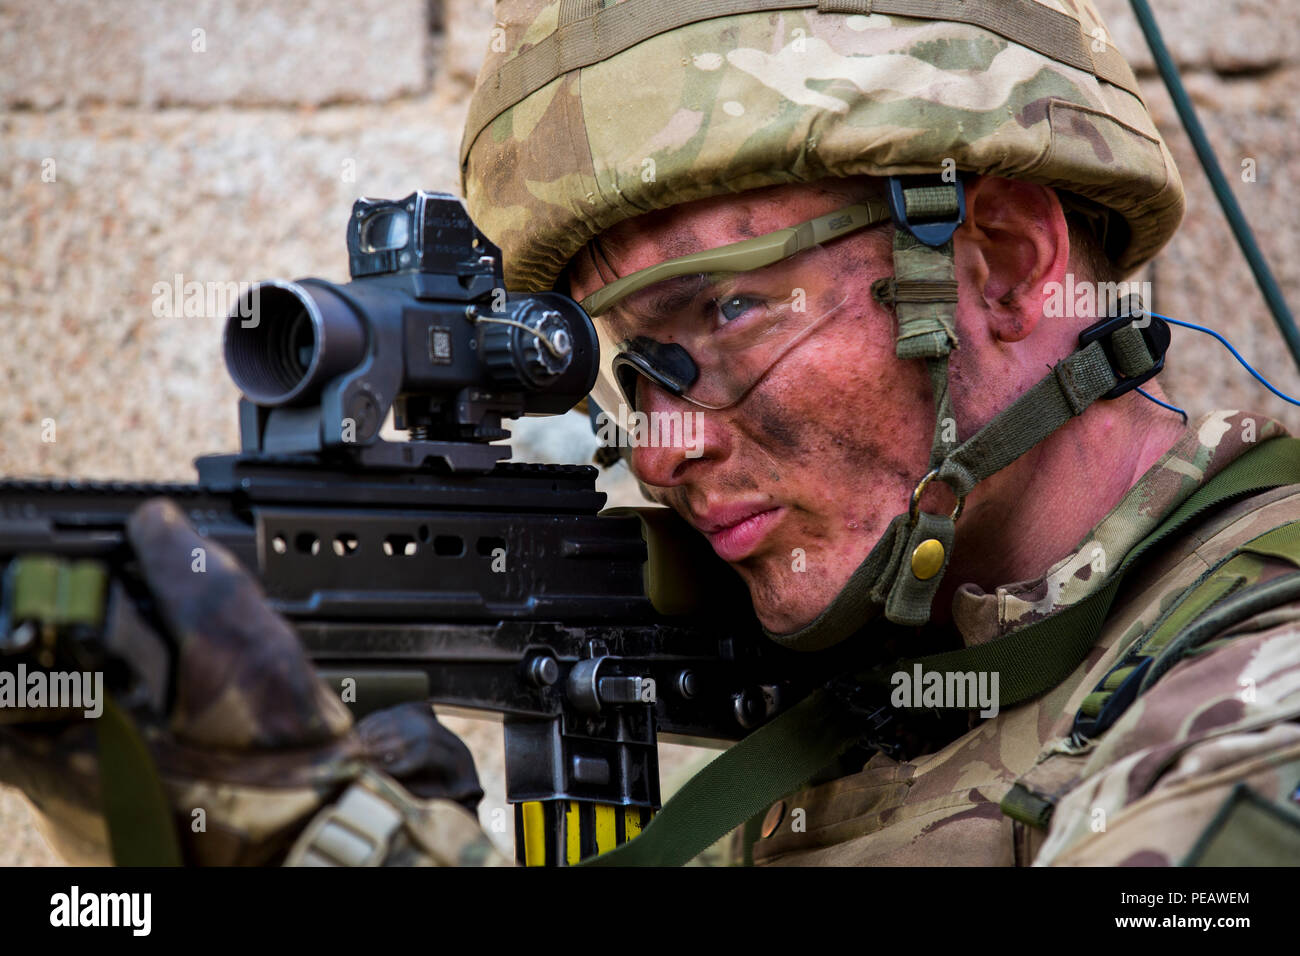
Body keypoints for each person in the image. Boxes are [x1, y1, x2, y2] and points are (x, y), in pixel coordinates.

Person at [5, 0, 1300, 866]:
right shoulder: (879, 686)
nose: (665, 448)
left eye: (725, 312)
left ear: (1006, 261)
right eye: (634, 361)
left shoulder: (1260, 697)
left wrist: (327, 833)